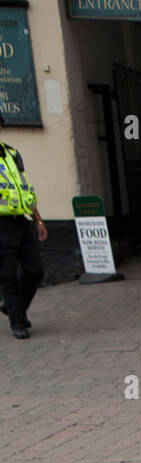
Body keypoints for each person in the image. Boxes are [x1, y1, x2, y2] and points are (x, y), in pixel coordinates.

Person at [0, 109, 46, 340]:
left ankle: (11, 307)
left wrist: (37, 219)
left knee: (35, 270)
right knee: (7, 275)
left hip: (21, 222)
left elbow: (24, 187)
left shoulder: (11, 154)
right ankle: (18, 322)